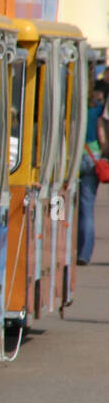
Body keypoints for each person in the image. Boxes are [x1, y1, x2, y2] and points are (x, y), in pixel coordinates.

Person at [77, 79, 109, 264]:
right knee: (87, 208)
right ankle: (84, 254)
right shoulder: (98, 112)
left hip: (70, 159)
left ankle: (62, 249)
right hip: (92, 158)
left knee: (61, 204)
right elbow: (101, 135)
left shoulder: (74, 109)